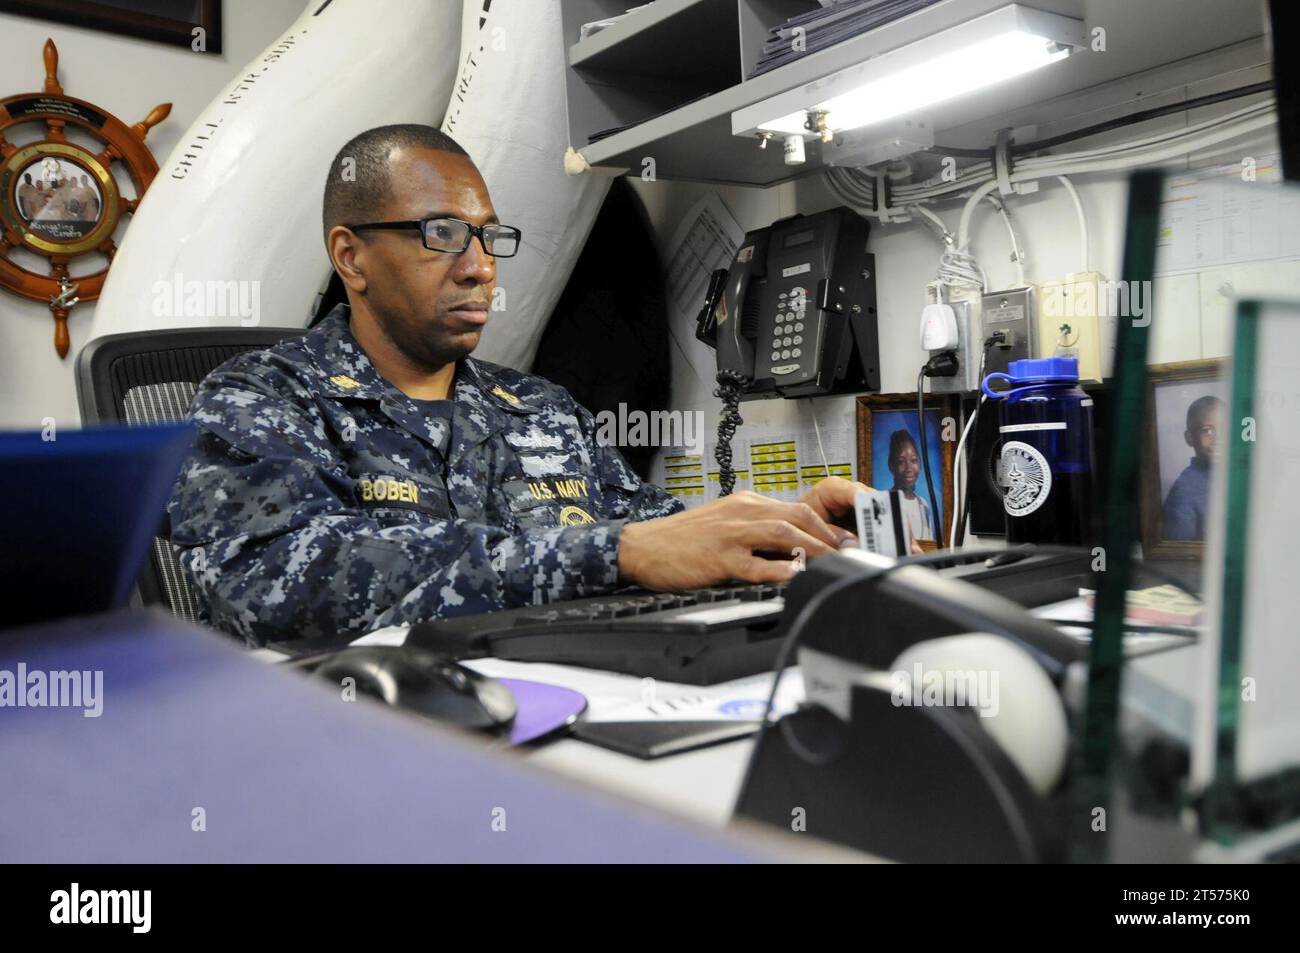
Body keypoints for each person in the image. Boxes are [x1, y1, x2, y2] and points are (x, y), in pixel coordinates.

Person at [168, 123, 871, 646]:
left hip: (555, 717)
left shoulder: (539, 408)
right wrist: (615, 552)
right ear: (351, 256)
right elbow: (278, 586)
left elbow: (659, 530)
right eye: (442, 233)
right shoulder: (256, 399)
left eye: (488, 237)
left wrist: (778, 530)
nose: (479, 267)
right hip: (351, 747)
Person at [1163, 394, 1221, 541]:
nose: (1219, 438)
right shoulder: (1183, 491)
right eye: (1208, 431)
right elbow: (1180, 554)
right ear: (1189, 438)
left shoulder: (1232, 476)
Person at [886, 428, 935, 543]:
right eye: (901, 461)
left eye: (913, 460)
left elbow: (930, 544)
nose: (909, 468)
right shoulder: (884, 502)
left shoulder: (923, 504)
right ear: (891, 466)